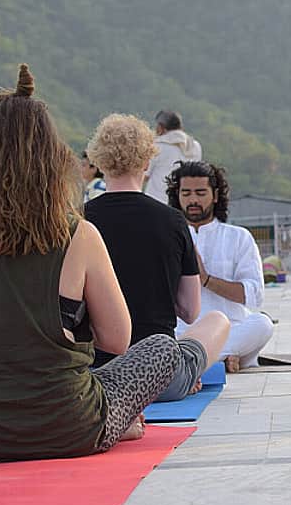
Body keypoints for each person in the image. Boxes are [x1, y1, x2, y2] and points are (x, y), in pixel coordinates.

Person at [0, 64, 214, 462]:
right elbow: (117, 340)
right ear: (52, 161)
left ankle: (42, 421)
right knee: (162, 349)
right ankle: (118, 422)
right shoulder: (79, 234)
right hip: (72, 426)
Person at [83, 113, 230, 401]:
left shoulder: (78, 221)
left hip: (96, 378)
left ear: (99, 162)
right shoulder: (173, 221)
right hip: (160, 378)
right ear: (147, 162)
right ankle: (187, 375)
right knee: (218, 320)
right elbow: (190, 311)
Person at [168, 161, 273, 373]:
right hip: (181, 332)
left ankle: (193, 361)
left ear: (215, 195)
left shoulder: (238, 237)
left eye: (200, 192)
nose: (193, 200)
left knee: (263, 324)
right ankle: (220, 360)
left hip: (230, 329)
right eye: (186, 193)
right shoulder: (167, 238)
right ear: (177, 196)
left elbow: (253, 294)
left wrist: (206, 279)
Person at [143, 110, 202, 203]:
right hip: (183, 201)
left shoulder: (157, 146)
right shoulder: (195, 146)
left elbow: (144, 175)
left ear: (161, 127)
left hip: (156, 200)